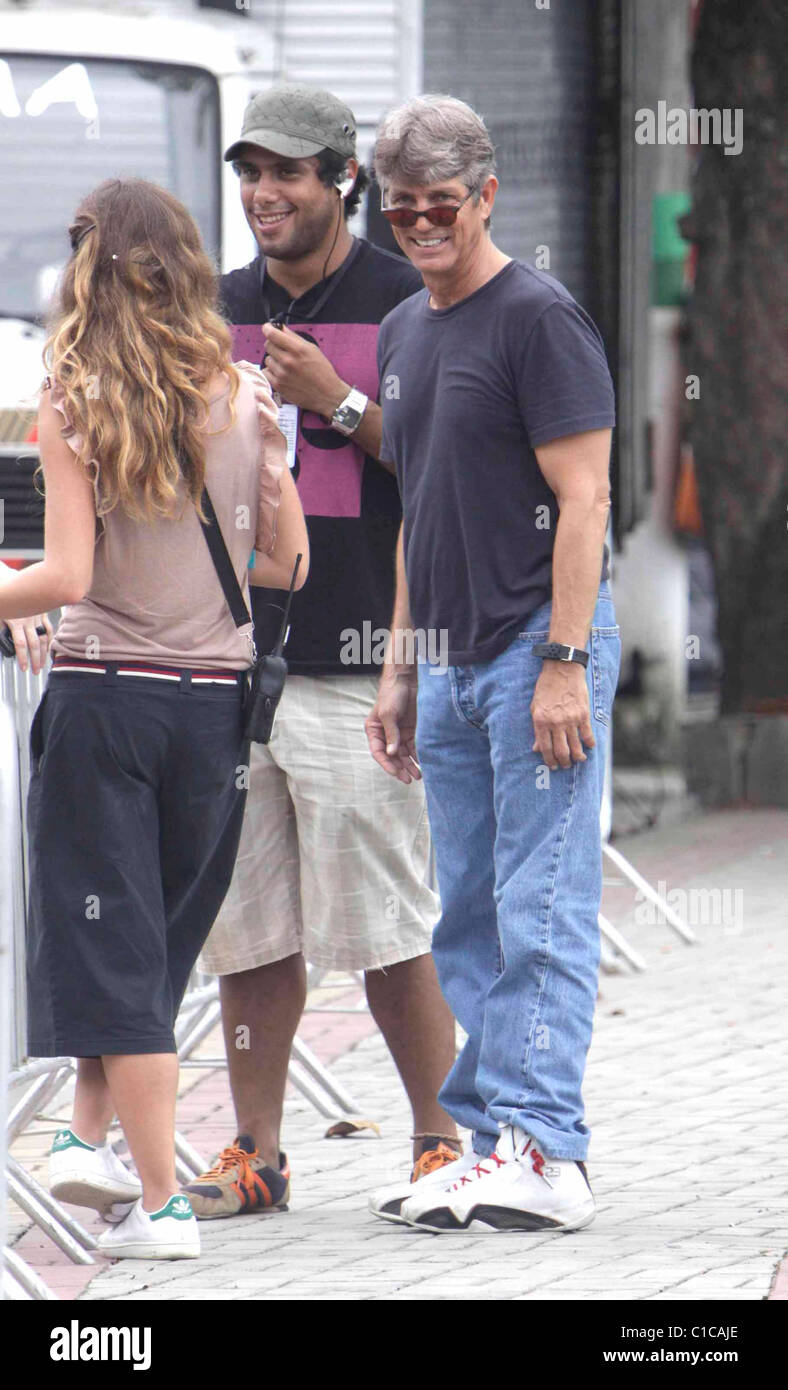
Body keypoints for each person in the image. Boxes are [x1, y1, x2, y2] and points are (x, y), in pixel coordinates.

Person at [0, 177, 308, 1261]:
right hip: (214, 719)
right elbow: (286, 562)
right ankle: (91, 1150)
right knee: (147, 953)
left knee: (112, 954)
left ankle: (164, 1201)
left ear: (90, 270)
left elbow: (70, 572)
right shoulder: (244, 394)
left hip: (103, 705)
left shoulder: (75, 399)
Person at [185, 84, 461, 1222]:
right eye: (251, 173)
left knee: (383, 925)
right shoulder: (215, 307)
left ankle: (444, 1139)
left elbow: (451, 462)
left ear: (341, 180)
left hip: (358, 663)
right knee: (246, 928)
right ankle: (256, 1153)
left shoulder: (409, 298)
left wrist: (338, 401)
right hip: (230, 661)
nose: (264, 194)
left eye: (289, 174)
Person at [366, 95, 621, 1232]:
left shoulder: (539, 318)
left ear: (485, 196)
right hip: (451, 662)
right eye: (401, 208)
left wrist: (564, 660)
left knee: (542, 907)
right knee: (464, 911)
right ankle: (486, 1145)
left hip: (534, 647)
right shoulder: (403, 328)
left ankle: (544, 1151)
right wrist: (402, 666)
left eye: (440, 208)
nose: (420, 226)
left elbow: (585, 499)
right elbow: (419, 510)